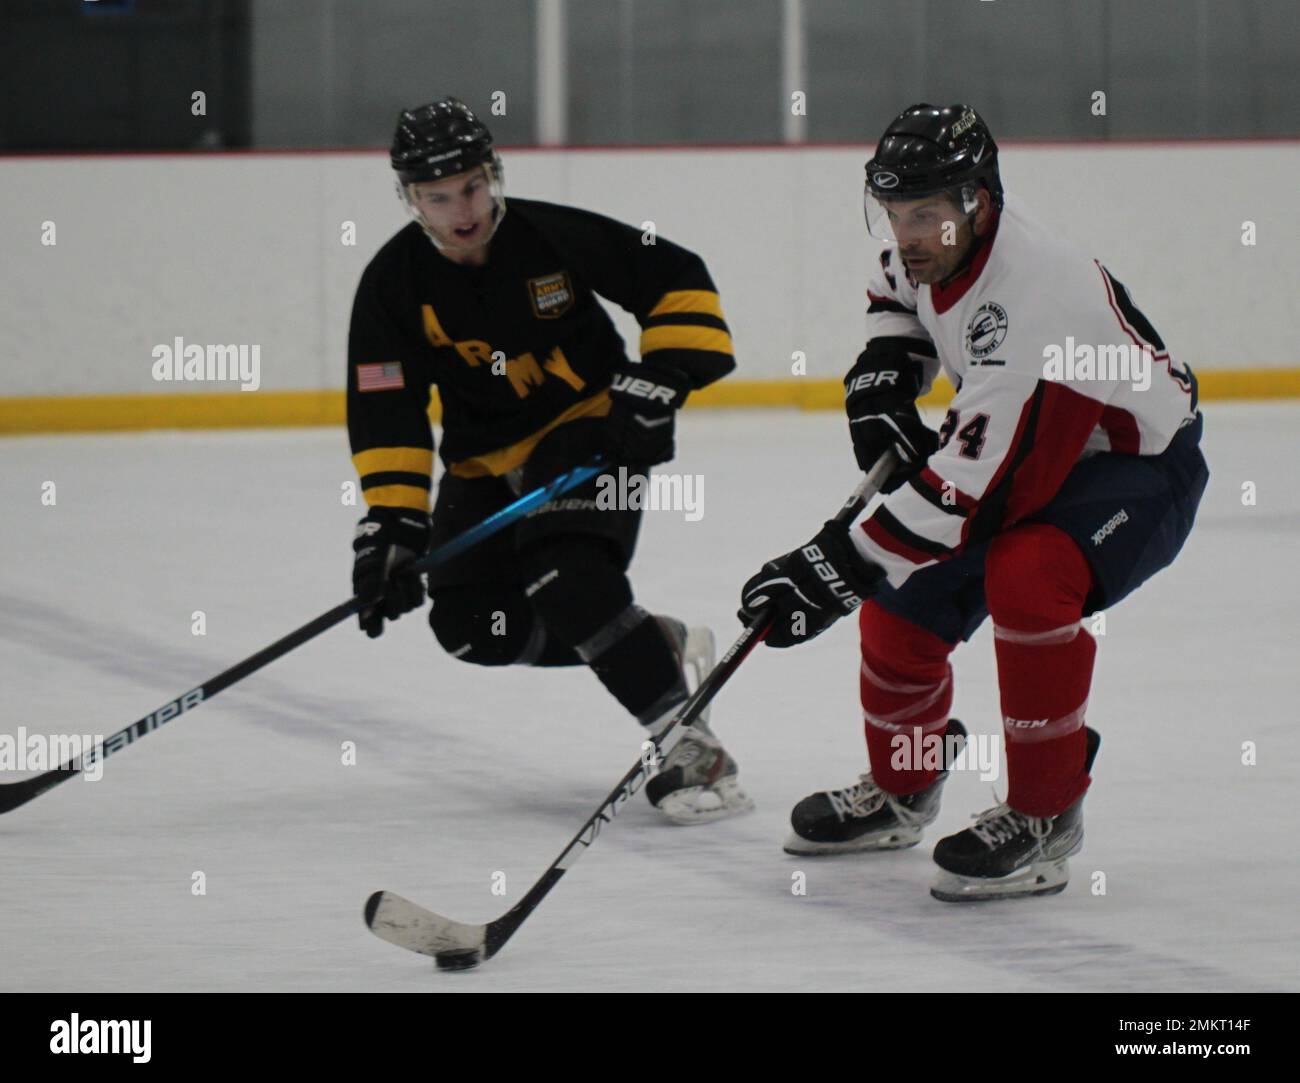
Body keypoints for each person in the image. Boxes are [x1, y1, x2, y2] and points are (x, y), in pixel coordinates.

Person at [739, 103, 1207, 899]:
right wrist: (889, 363)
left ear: (979, 199)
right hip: (1029, 451)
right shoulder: (933, 249)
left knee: (1025, 573)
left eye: (924, 213)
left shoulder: (1041, 294)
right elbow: (897, 293)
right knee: (899, 602)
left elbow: (978, 493)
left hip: (1138, 470)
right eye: (893, 212)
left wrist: (835, 564)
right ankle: (905, 785)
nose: (907, 232)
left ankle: (1045, 813)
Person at [348, 97, 751, 823]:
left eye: (471, 187)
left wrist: (662, 377)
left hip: (592, 425)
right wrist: (393, 524)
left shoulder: (550, 236)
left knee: (564, 571)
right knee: (471, 625)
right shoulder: (392, 285)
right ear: (410, 199)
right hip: (482, 461)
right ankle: (651, 641)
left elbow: (674, 275)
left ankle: (687, 740)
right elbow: (386, 407)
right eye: (437, 197)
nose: (461, 210)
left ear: (494, 174)